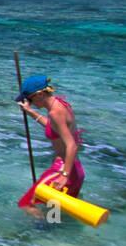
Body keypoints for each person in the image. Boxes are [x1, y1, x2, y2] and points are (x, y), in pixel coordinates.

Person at [15, 74, 85, 213]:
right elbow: (54, 127)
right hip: (76, 171)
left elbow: (72, 145)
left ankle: (40, 233)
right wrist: (31, 112)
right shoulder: (60, 104)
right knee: (55, 214)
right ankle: (51, 233)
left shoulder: (54, 112)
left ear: (40, 94)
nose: (31, 102)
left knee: (27, 204)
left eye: (30, 99)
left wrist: (64, 175)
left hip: (63, 170)